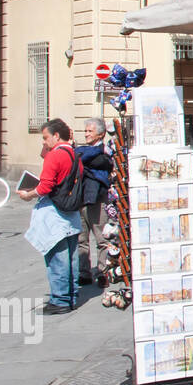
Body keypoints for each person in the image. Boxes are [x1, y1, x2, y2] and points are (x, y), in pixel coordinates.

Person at [18, 118, 83, 314]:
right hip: (70, 212)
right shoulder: (73, 153)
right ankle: (71, 297)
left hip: (55, 213)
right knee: (71, 257)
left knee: (57, 257)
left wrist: (28, 194)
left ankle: (60, 299)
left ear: (56, 135)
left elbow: (45, 186)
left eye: (46, 138)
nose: (44, 142)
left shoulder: (54, 156)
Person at [74, 117, 113, 286]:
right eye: (86, 131)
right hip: (80, 199)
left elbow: (99, 163)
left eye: (90, 131)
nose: (87, 134)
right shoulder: (83, 150)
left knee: (101, 238)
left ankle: (103, 271)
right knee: (81, 239)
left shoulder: (104, 151)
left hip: (97, 200)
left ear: (101, 134)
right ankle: (84, 272)